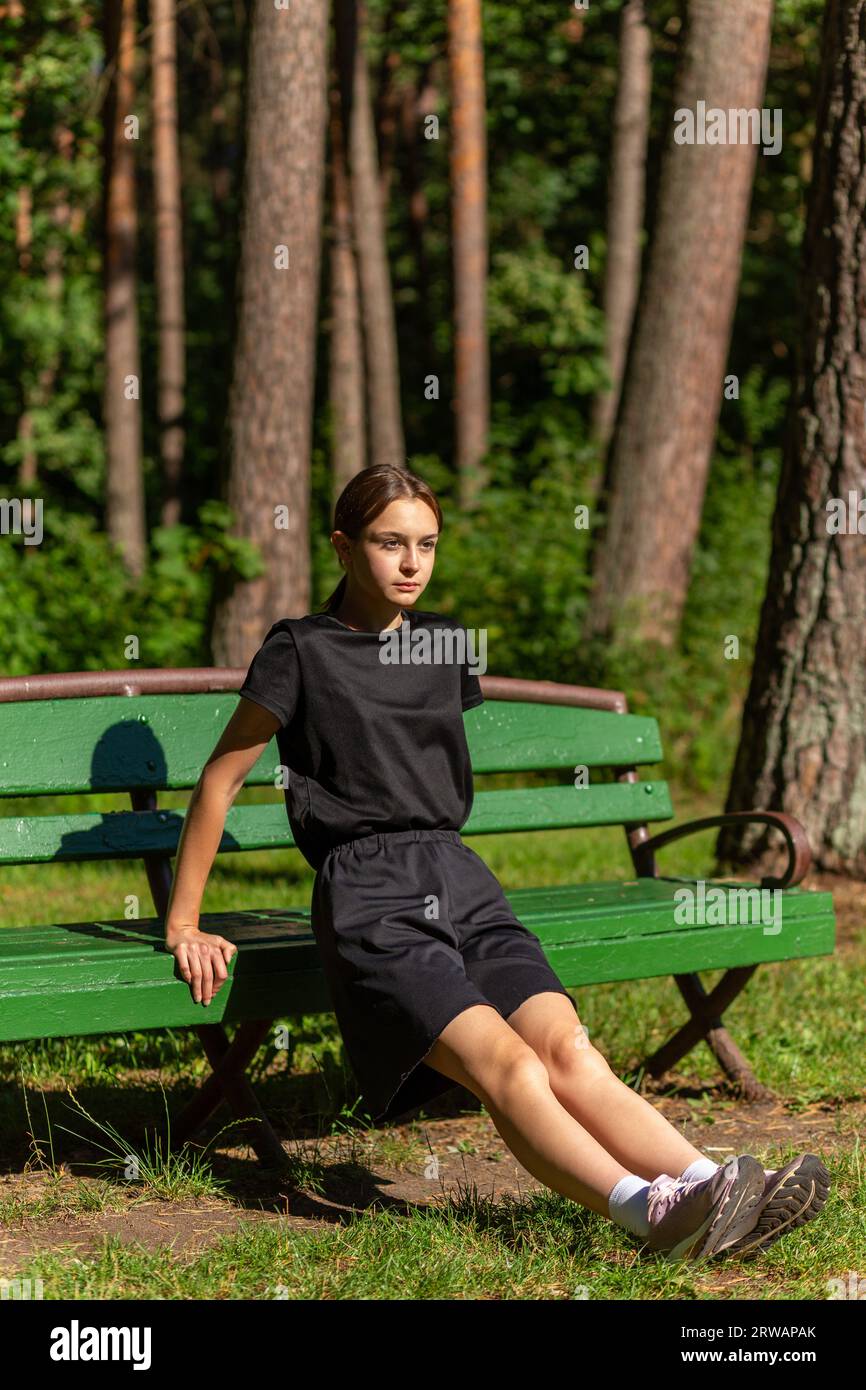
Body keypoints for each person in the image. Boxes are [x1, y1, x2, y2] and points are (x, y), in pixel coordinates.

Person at [163, 463, 831, 1264]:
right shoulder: (299, 650)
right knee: (508, 1064)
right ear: (342, 547)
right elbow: (221, 777)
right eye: (389, 544)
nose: (411, 562)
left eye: (427, 545)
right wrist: (183, 922)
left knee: (570, 1050)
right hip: (370, 896)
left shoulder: (445, 644)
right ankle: (647, 1213)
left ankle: (718, 1186)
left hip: (461, 880)